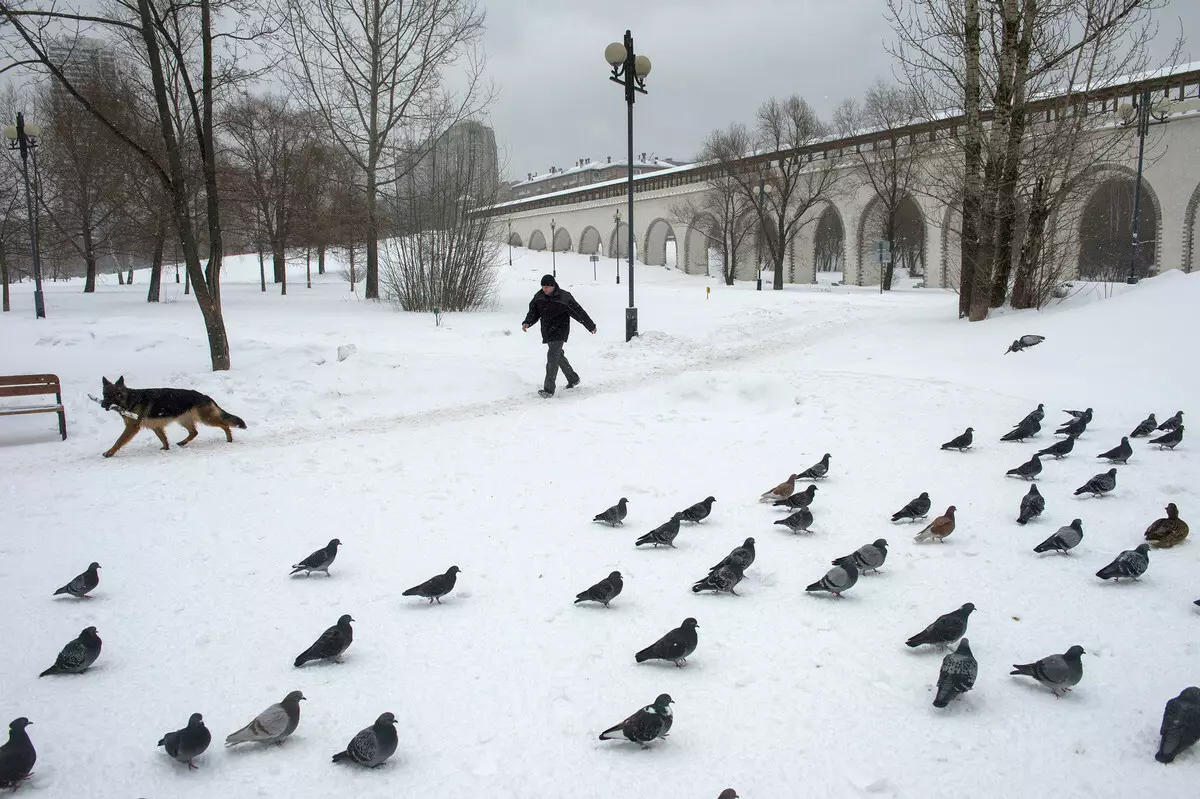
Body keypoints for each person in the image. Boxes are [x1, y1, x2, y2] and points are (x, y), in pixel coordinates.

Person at [521, 274, 596, 397]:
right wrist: (527, 322)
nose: (544, 289)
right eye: (543, 287)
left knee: (552, 356)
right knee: (557, 356)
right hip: (547, 330)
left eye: (547, 287)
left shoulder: (564, 297)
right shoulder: (539, 297)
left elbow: (578, 312)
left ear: (553, 286)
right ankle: (573, 378)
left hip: (561, 330)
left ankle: (548, 390)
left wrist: (590, 325)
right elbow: (533, 311)